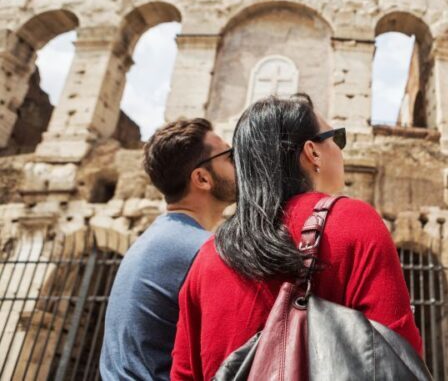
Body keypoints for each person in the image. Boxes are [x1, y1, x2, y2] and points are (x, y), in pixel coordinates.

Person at [171, 94, 423, 380]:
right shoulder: (353, 221)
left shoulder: (207, 256)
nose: (341, 150)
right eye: (336, 139)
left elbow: (184, 373)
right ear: (312, 152)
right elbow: (398, 355)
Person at [100, 119, 236, 381]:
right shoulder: (202, 250)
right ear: (202, 178)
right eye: (230, 156)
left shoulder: (152, 240)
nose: (239, 163)